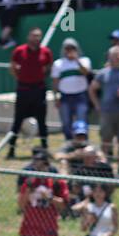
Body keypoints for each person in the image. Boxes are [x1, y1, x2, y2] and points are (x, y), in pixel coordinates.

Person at [9, 28, 51, 157]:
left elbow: (48, 68)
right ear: (29, 37)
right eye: (34, 36)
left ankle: (45, 149)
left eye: (38, 36)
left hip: (39, 89)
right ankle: (11, 150)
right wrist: (21, 78)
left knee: (42, 122)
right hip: (23, 90)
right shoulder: (19, 51)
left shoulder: (46, 52)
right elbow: (12, 67)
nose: (36, 38)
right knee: (17, 121)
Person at [51, 38, 92, 142]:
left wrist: (77, 60)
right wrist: (56, 97)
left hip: (81, 96)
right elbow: (55, 82)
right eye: (67, 48)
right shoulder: (58, 64)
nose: (69, 50)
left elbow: (86, 73)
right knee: (66, 122)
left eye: (72, 48)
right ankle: (69, 144)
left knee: (82, 121)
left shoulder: (84, 60)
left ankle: (84, 143)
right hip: (65, 97)